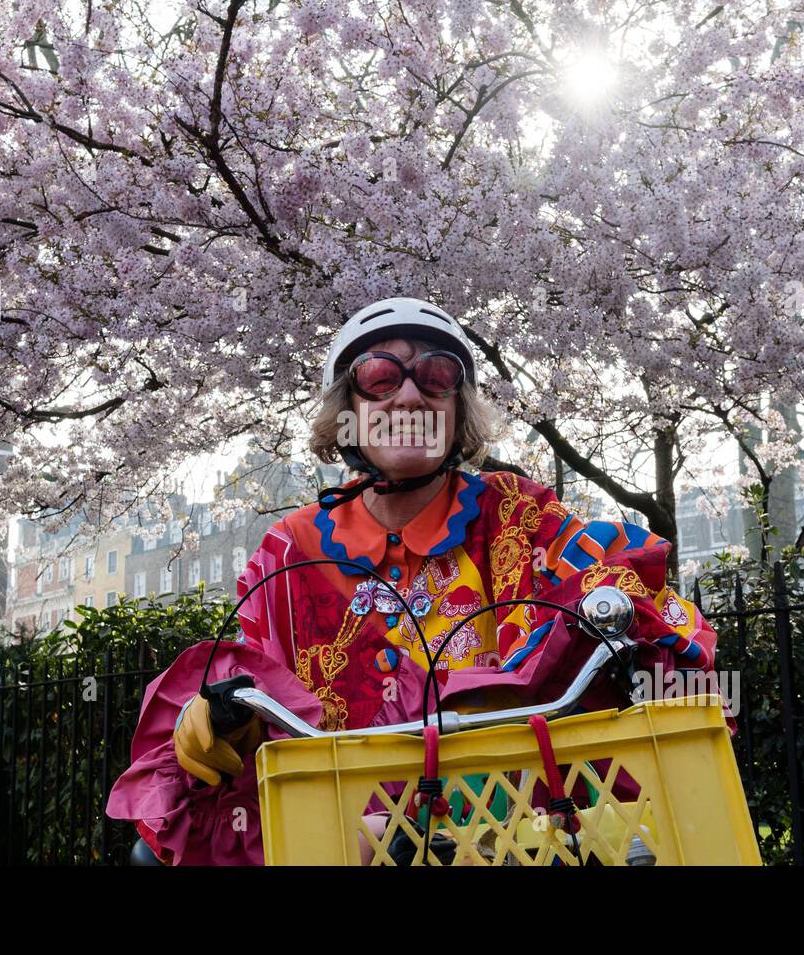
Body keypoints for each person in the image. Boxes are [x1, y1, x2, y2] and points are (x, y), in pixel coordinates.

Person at [105, 296, 728, 865]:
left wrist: (612, 619)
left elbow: (627, 588)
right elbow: (251, 680)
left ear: (458, 411)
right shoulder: (288, 549)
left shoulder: (520, 514)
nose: (408, 397)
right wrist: (217, 722)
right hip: (355, 840)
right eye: (379, 376)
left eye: (436, 376)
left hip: (523, 834)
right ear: (347, 413)